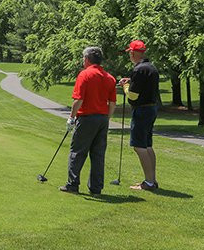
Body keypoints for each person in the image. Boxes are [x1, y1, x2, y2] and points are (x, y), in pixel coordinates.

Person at [60, 46, 117, 195]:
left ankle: (73, 185)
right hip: (103, 119)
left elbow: (78, 100)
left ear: (86, 59)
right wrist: (107, 119)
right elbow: (112, 103)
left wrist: (71, 118)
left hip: (86, 118)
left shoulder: (84, 75)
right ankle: (96, 188)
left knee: (77, 152)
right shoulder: (110, 78)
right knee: (98, 154)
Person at [119, 39, 161, 190]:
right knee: (147, 145)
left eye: (130, 52)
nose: (129, 54)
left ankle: (149, 182)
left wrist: (125, 86)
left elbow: (132, 96)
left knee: (139, 146)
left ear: (134, 53)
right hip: (151, 109)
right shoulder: (151, 67)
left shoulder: (138, 69)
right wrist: (130, 80)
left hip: (142, 110)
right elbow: (144, 84)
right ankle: (152, 180)